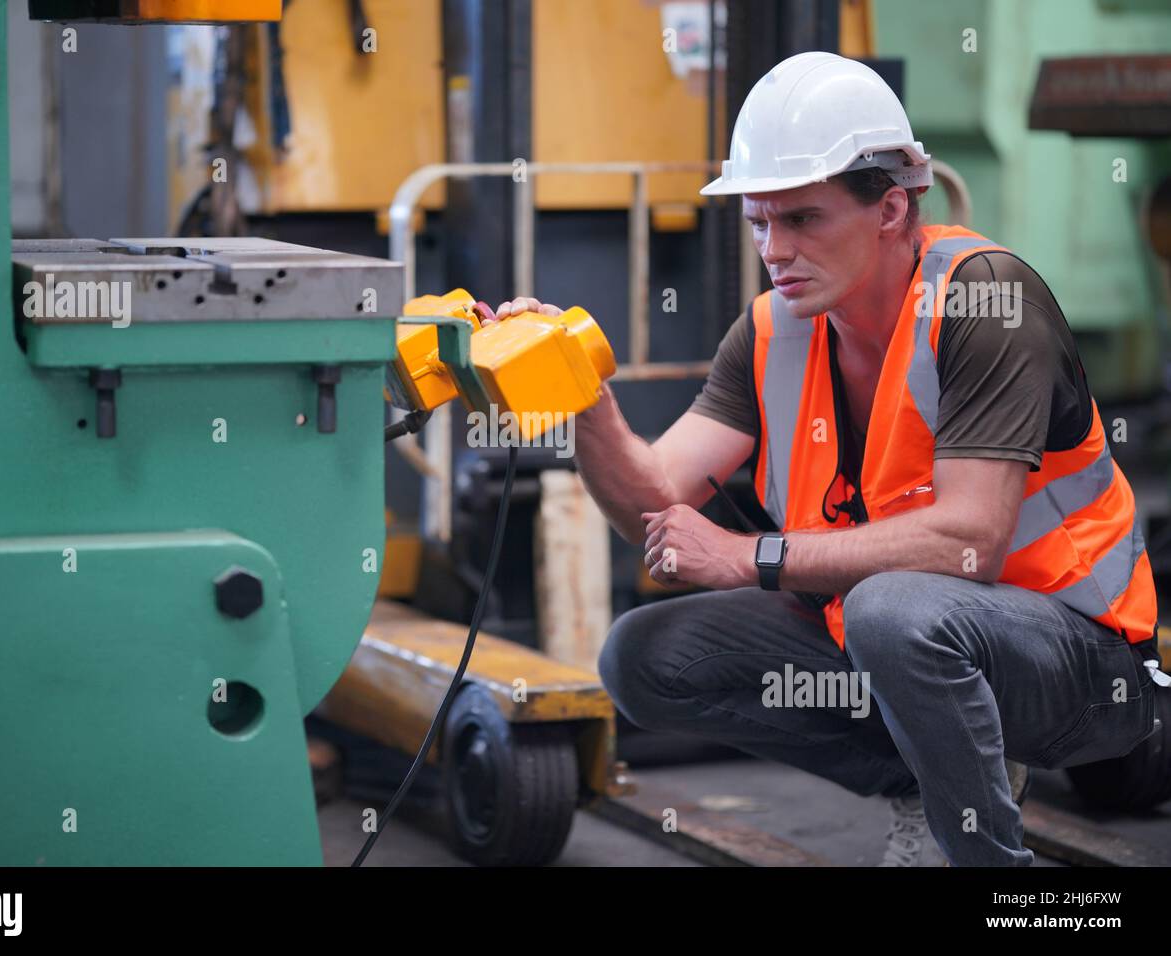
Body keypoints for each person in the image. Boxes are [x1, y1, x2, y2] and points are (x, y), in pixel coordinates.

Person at [487, 51, 1162, 866]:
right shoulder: (776, 330)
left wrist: (749, 556)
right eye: (760, 222)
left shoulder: (987, 304)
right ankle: (924, 780)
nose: (775, 249)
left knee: (892, 611)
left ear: (890, 208)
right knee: (643, 658)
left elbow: (968, 543)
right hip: (901, 648)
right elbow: (653, 509)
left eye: (802, 219)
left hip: (1080, 667)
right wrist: (586, 404)